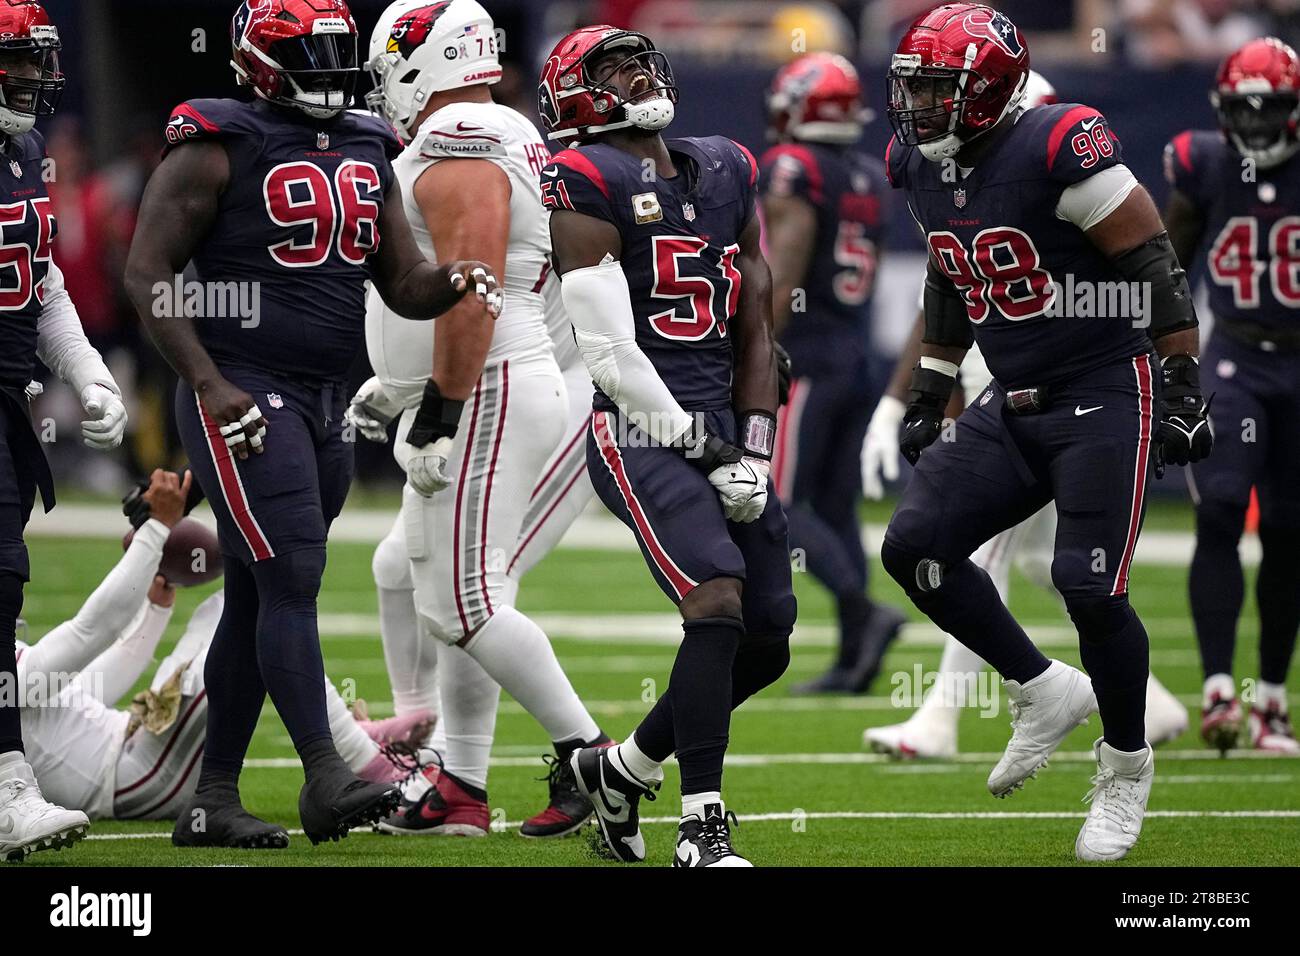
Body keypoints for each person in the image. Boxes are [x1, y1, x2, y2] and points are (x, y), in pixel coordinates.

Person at [123, 0, 499, 849]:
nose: (331, 69)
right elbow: (148, 273)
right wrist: (210, 381)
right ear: (258, 61)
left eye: (339, 51)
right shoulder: (216, 142)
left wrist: (454, 280)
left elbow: (402, 283)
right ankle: (326, 774)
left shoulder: (369, 143)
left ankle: (211, 798)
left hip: (327, 392)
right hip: (246, 391)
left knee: (261, 591)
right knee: (292, 577)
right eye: (311, 53)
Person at [880, 4, 1211, 861]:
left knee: (1088, 585)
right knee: (915, 545)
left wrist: (1181, 385)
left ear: (988, 91)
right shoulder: (918, 162)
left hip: (1104, 384)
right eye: (911, 87)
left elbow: (1152, 263)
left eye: (935, 90)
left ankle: (1126, 766)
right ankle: (1041, 689)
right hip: (1015, 393)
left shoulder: (1056, 142)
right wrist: (932, 387)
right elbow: (952, 275)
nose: (917, 107)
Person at [538, 25, 796, 866]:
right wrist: (707, 449)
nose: (641, 74)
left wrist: (752, 446)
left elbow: (757, 319)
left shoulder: (724, 165)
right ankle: (703, 828)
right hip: (639, 429)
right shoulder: (583, 178)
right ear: (579, 94)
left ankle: (620, 769)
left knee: (767, 633)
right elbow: (612, 358)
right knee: (715, 601)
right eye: (616, 68)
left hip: (722, 423)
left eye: (643, 60)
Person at [355, 0, 609, 840]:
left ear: (420, 56)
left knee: (465, 602)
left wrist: (438, 407)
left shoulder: (461, 134)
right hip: (495, 378)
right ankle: (457, 785)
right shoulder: (493, 127)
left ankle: (592, 760)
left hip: (498, 383)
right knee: (430, 584)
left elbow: (475, 283)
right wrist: (400, 388)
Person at [16, 470, 427, 826]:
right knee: (248, 609)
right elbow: (92, 629)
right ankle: (365, 759)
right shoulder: (11, 677)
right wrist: (157, 529)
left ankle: (351, 736)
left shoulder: (20, 681)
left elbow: (85, 691)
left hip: (132, 746)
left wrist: (155, 613)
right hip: (134, 778)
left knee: (235, 606)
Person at [0, 0, 128, 862]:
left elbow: (39, 278)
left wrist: (88, 373)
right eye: (14, 61)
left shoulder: (24, 149)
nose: (33, 78)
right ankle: (10, 790)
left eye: (33, 60)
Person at [1163, 36, 1300, 755]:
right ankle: (1220, 690)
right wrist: (1160, 360)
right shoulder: (1204, 165)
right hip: (1235, 359)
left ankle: (1270, 702)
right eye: (1241, 108)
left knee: (1288, 532)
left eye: (1267, 107)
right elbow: (1167, 267)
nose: (1252, 122)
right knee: (1219, 508)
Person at [757, 51, 906, 696]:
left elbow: (783, 271)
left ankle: (864, 611)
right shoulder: (868, 175)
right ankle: (855, 652)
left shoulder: (794, 167)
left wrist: (756, 350)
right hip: (854, 356)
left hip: (808, 362)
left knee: (778, 501)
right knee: (837, 507)